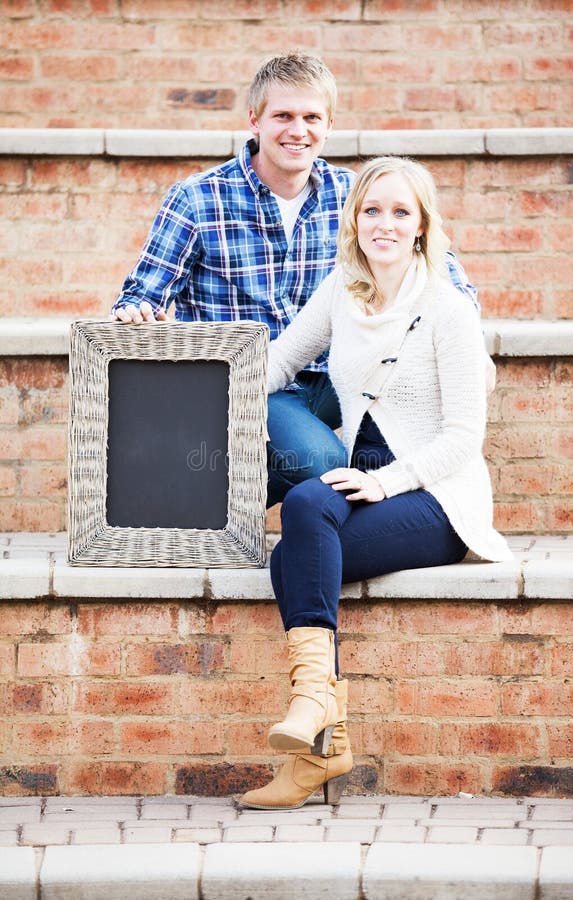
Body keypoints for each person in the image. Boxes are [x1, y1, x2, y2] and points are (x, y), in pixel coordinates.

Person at [239, 156, 512, 810]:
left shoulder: (448, 308)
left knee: (293, 550)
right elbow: (278, 362)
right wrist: (198, 390)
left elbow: (463, 439)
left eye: (400, 212)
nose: (384, 224)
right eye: (372, 210)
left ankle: (319, 736)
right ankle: (318, 727)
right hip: (367, 484)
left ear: (421, 226)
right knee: (299, 533)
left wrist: (389, 483)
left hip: (439, 498)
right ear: (354, 219)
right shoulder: (343, 289)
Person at [110, 52, 480, 507]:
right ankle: (191, 495)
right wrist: (137, 314)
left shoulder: (353, 194)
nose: (297, 131)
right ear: (255, 120)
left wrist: (472, 348)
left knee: (390, 441)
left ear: (329, 125)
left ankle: (197, 496)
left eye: (311, 117)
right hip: (256, 376)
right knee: (322, 461)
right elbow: (142, 294)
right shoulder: (198, 198)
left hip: (339, 372)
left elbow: (445, 272)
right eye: (283, 116)